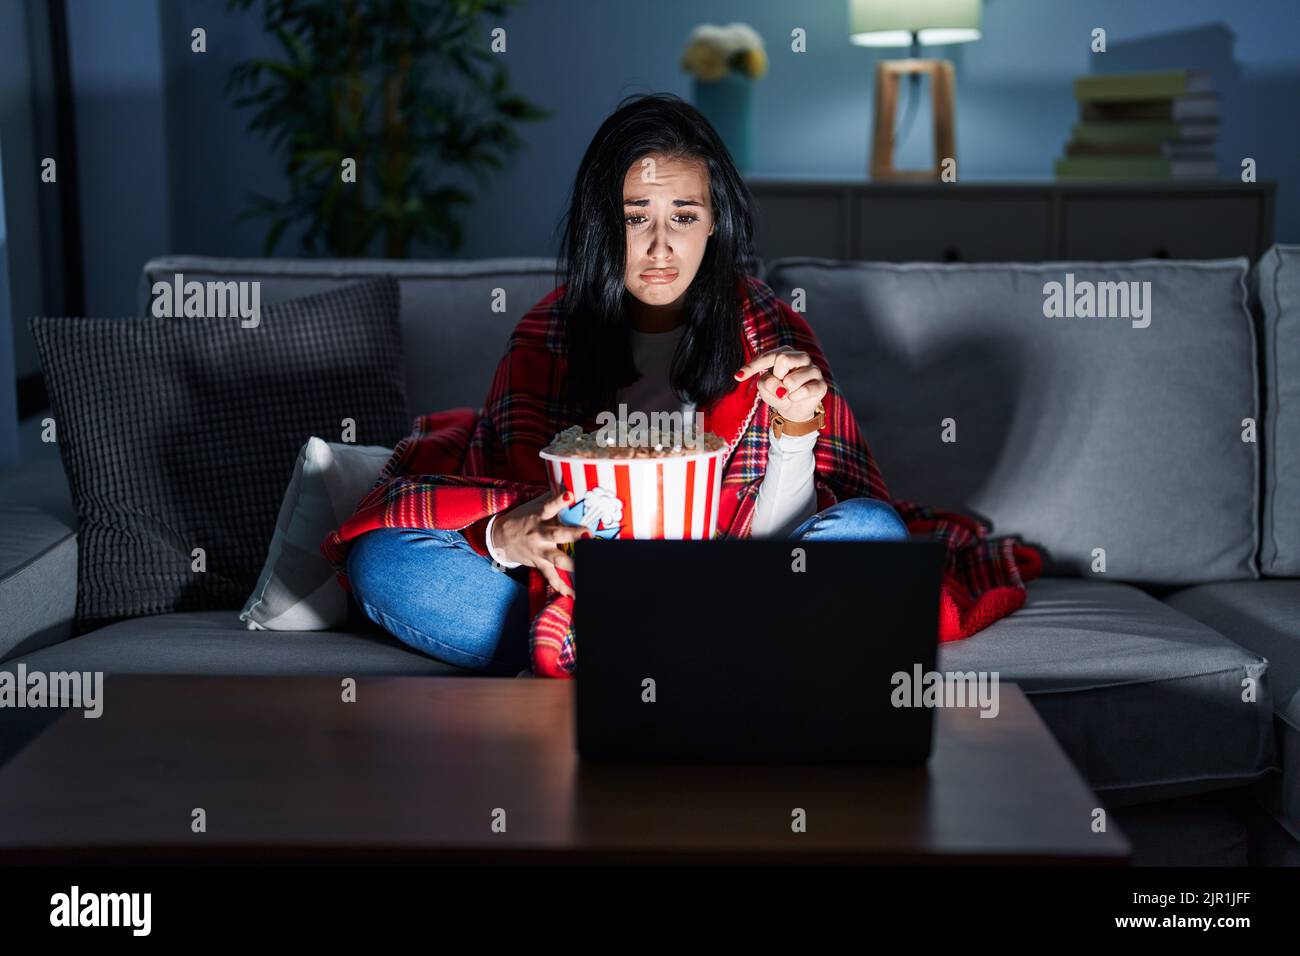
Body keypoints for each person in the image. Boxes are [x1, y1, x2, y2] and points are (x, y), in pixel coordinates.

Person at [333, 92, 912, 677]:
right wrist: (504, 539)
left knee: (872, 532)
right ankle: (699, 655)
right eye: (636, 217)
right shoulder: (545, 334)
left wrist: (795, 434)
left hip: (729, 578)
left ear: (715, 223)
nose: (660, 248)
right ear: (602, 225)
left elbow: (773, 541)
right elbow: (508, 495)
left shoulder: (770, 332)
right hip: (583, 595)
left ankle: (635, 657)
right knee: (384, 559)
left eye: (683, 216)